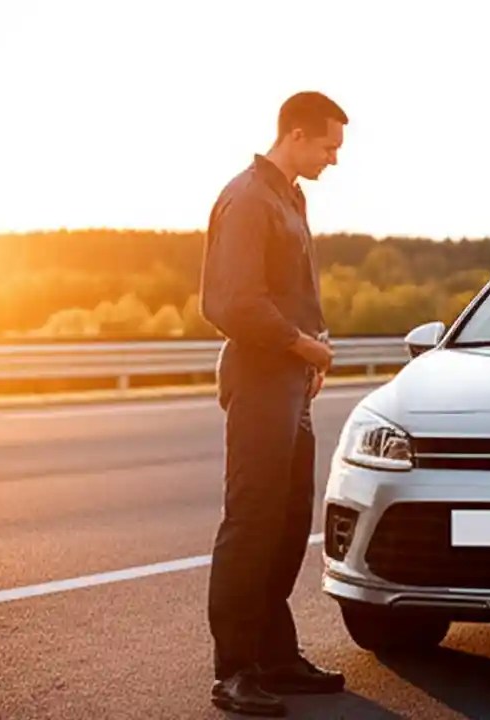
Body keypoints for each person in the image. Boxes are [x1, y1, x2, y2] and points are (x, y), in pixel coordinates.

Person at [200, 91, 347, 717]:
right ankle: (235, 670)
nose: (334, 160)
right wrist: (300, 347)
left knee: (288, 525)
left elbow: (290, 293)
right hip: (261, 379)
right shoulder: (247, 198)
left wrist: (316, 343)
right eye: (328, 147)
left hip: (291, 382)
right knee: (252, 522)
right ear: (294, 134)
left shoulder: (290, 197)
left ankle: (275, 655)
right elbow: (230, 302)